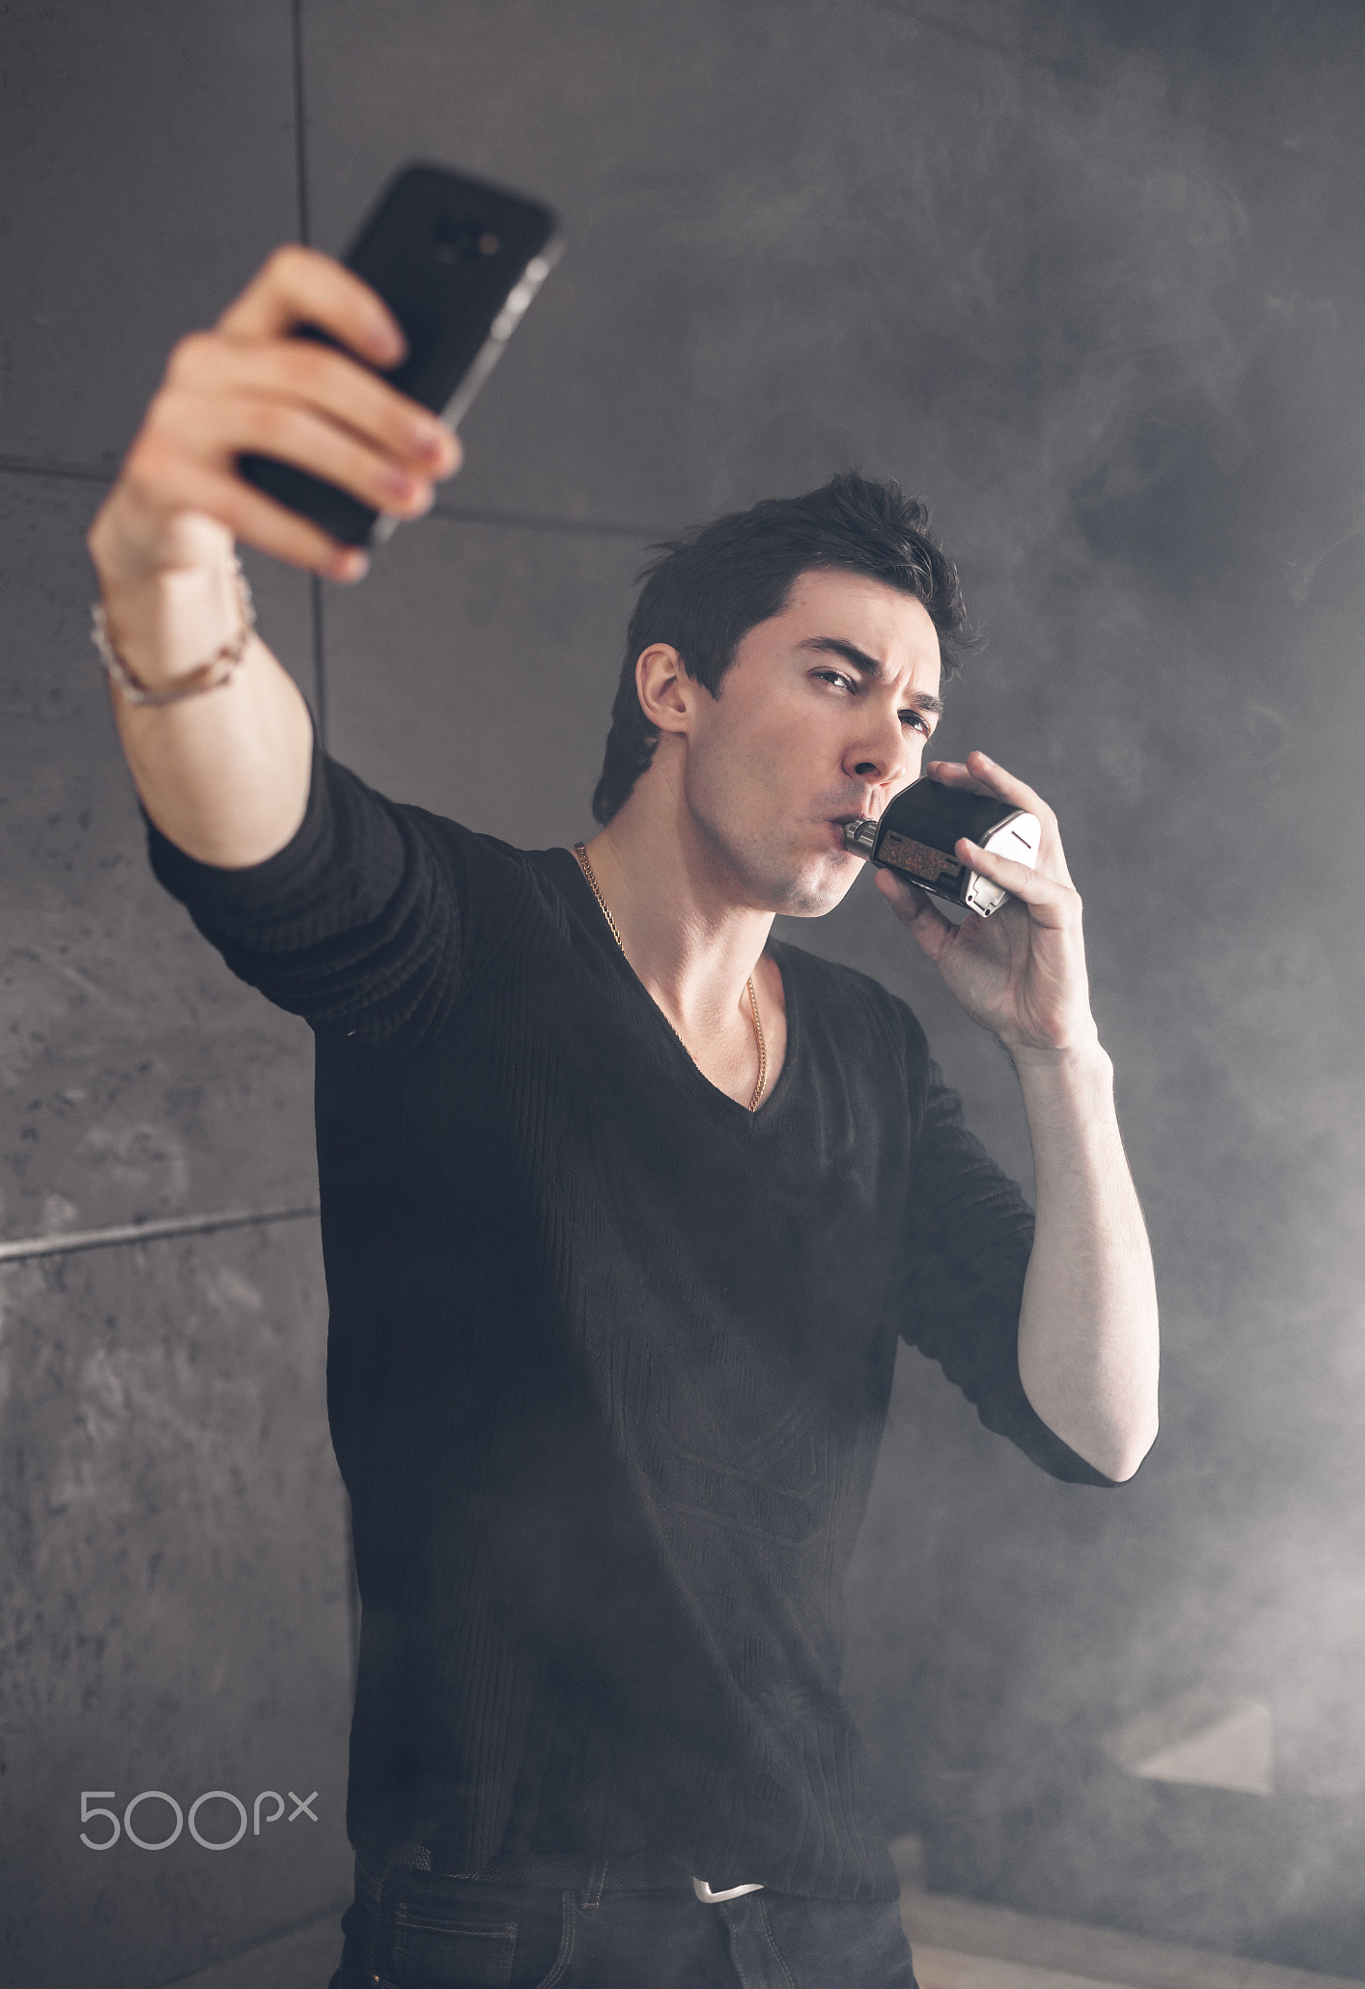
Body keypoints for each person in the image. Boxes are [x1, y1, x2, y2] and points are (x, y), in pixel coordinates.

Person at [86, 246, 1160, 1989]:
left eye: (916, 711)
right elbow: (258, 820)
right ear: (673, 689)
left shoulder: (874, 1060)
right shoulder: (463, 947)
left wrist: (1063, 1055)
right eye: (833, 678)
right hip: (503, 1927)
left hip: (819, 1922)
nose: (884, 749)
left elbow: (1098, 1428)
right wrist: (164, 566)